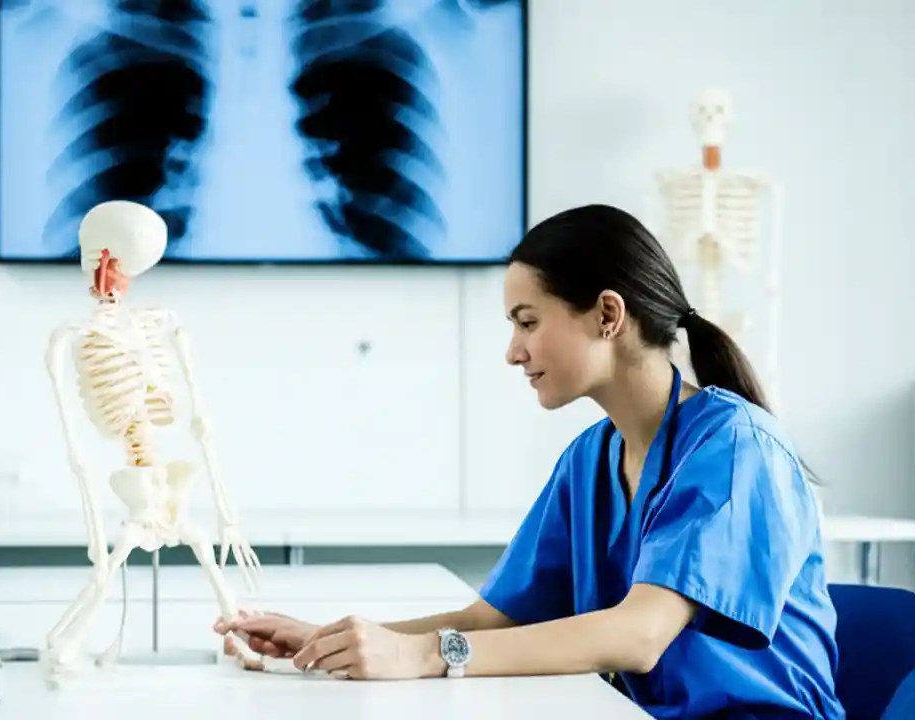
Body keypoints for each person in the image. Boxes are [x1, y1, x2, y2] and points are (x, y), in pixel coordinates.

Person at [215, 204, 844, 719]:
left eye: (527, 321)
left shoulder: (735, 449)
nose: (513, 352)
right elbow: (491, 618)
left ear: (607, 315)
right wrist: (337, 641)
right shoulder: (591, 461)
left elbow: (639, 636)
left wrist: (427, 656)